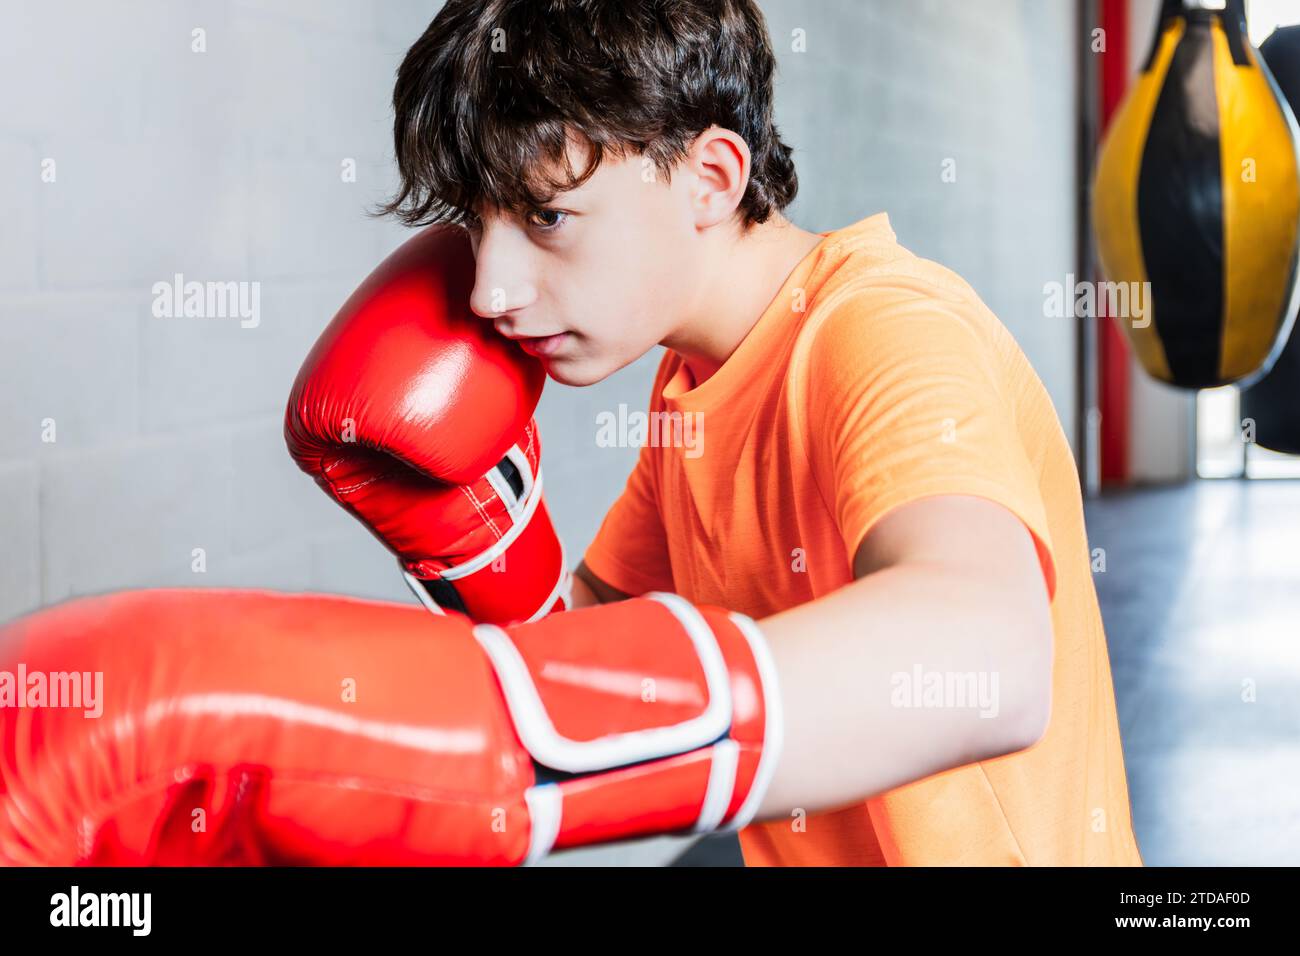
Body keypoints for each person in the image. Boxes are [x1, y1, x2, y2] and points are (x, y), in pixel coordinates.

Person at [1, 0, 1142, 866]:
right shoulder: (698, 381)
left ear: (710, 174)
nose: (491, 284)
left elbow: (986, 659)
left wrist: (492, 728)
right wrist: (468, 549)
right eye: (477, 222)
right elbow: (587, 646)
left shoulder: (884, 332)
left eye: (547, 215)